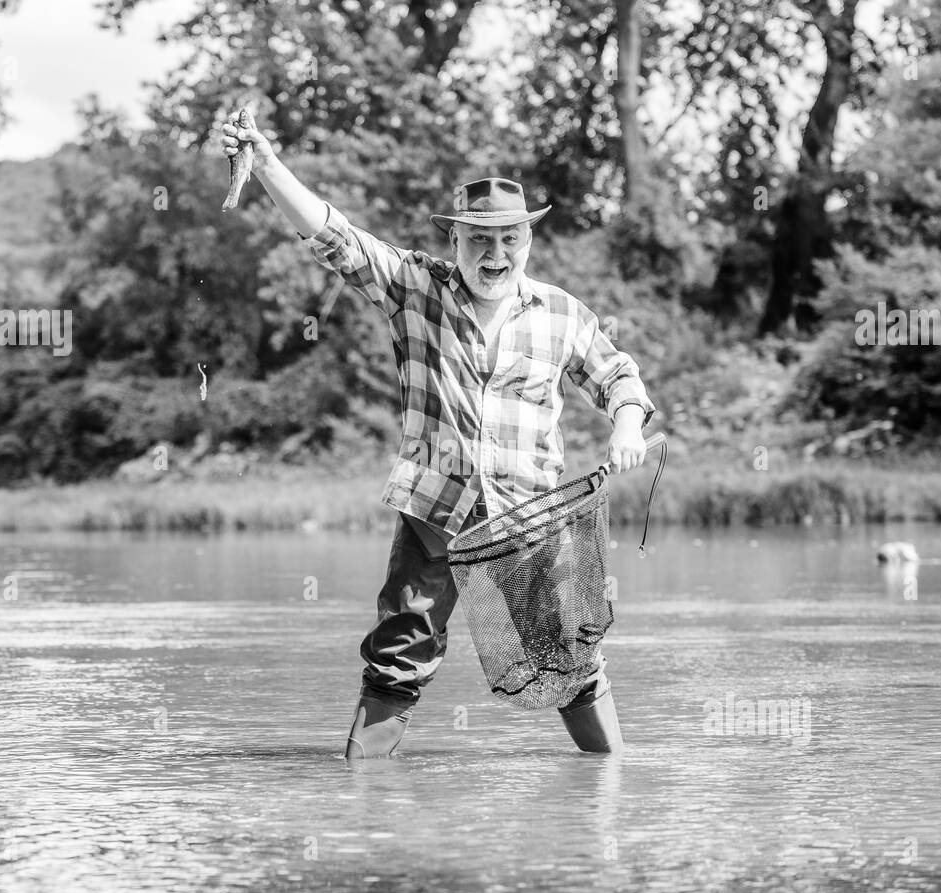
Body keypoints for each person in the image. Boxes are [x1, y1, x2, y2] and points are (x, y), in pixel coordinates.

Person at [221, 113, 656, 758]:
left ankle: (609, 782)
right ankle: (361, 788)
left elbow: (620, 378)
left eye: (508, 239)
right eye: (479, 240)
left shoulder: (561, 313)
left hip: (529, 519)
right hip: (436, 514)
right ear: (454, 239)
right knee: (402, 647)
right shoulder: (414, 289)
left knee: (570, 656)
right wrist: (265, 164)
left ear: (527, 240)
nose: (495, 255)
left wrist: (624, 423)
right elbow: (334, 235)